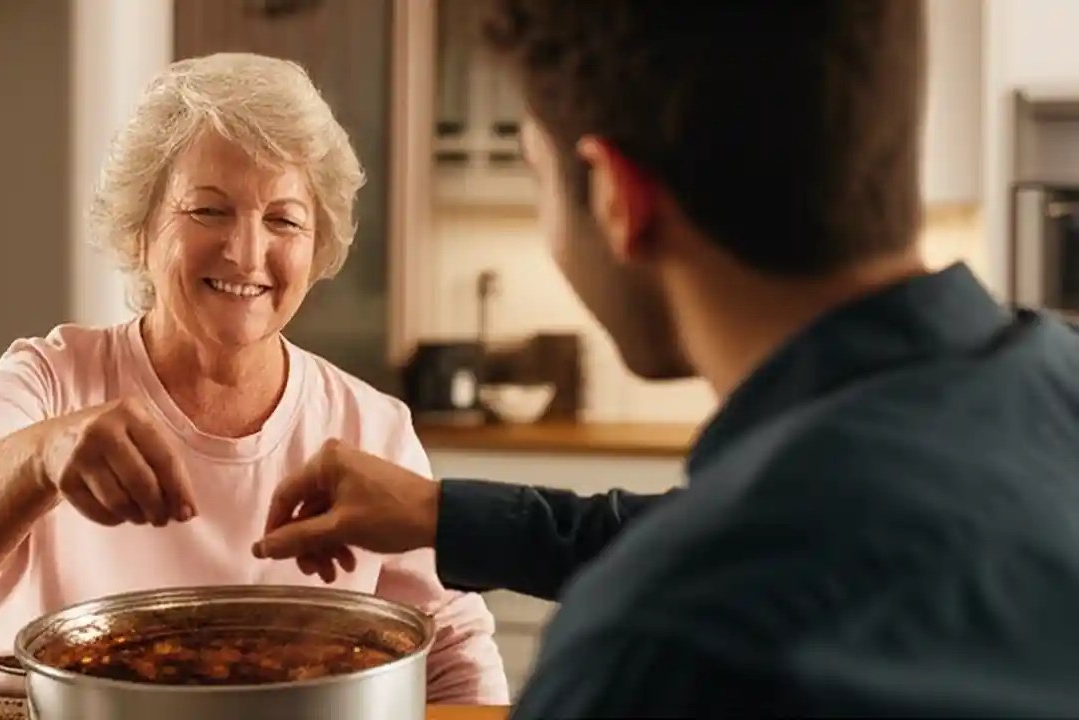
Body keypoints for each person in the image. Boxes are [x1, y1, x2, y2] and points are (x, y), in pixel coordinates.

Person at [254, 2, 1079, 717]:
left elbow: (729, 559)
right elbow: (751, 535)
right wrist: (444, 516)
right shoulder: (1051, 383)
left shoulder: (664, 648)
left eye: (537, 174)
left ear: (618, 197)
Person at [0, 52, 507, 712]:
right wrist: (42, 456)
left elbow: (454, 648)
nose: (246, 252)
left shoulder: (369, 426)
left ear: (318, 249)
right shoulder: (54, 377)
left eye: (284, 219)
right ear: (140, 229)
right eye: (208, 211)